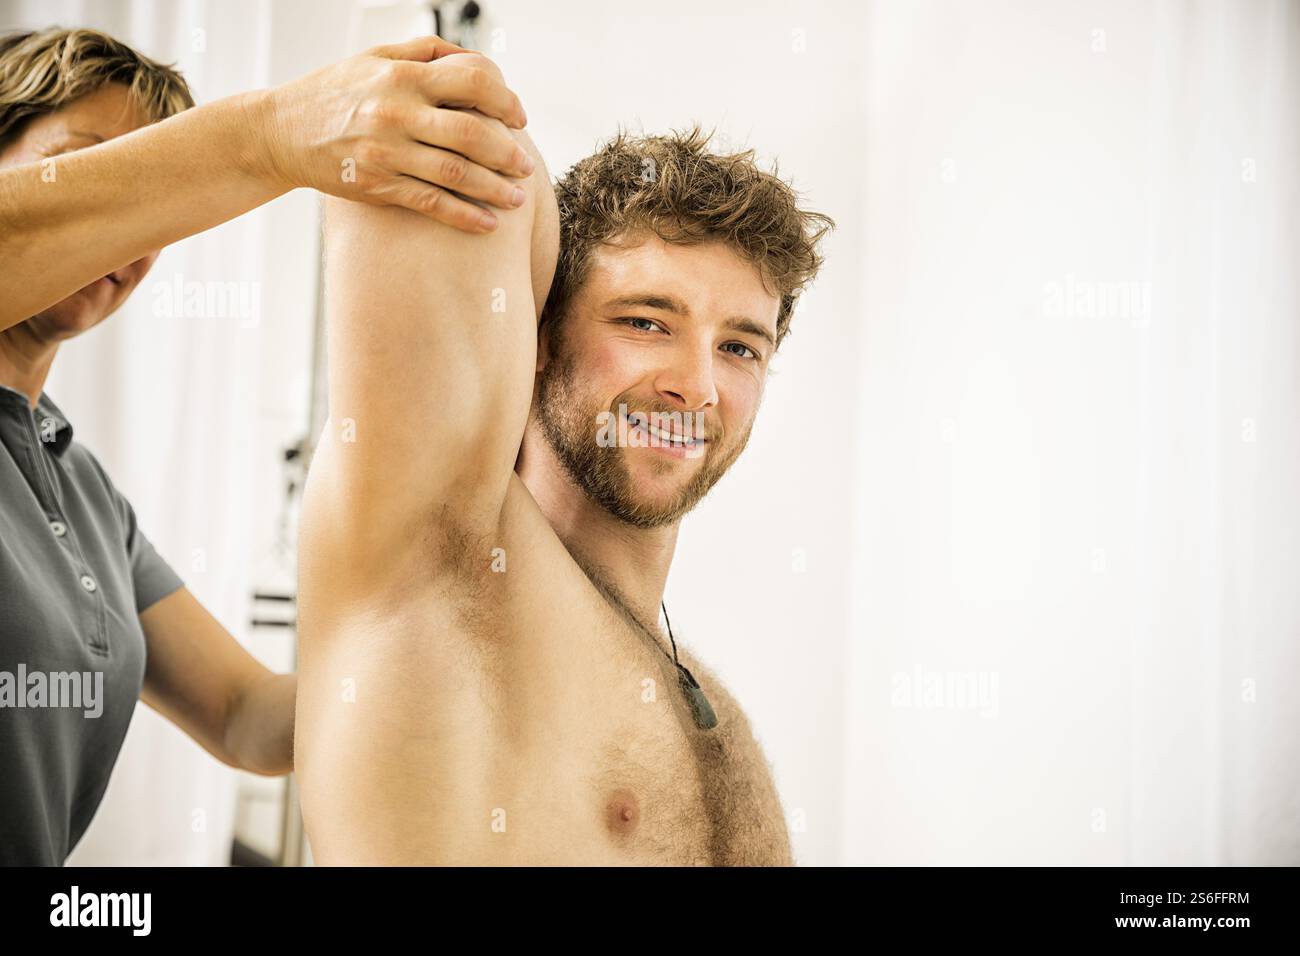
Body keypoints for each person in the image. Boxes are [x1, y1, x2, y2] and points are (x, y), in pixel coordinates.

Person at [0, 26, 530, 866]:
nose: (130, 228)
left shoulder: (82, 491)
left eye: (150, 196)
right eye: (92, 168)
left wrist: (437, 622)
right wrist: (279, 132)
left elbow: (248, 718)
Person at [294, 57, 835, 864]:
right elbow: (458, 123)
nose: (696, 386)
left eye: (738, 346)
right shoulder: (443, 570)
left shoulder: (702, 701)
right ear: (537, 338)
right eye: (646, 322)